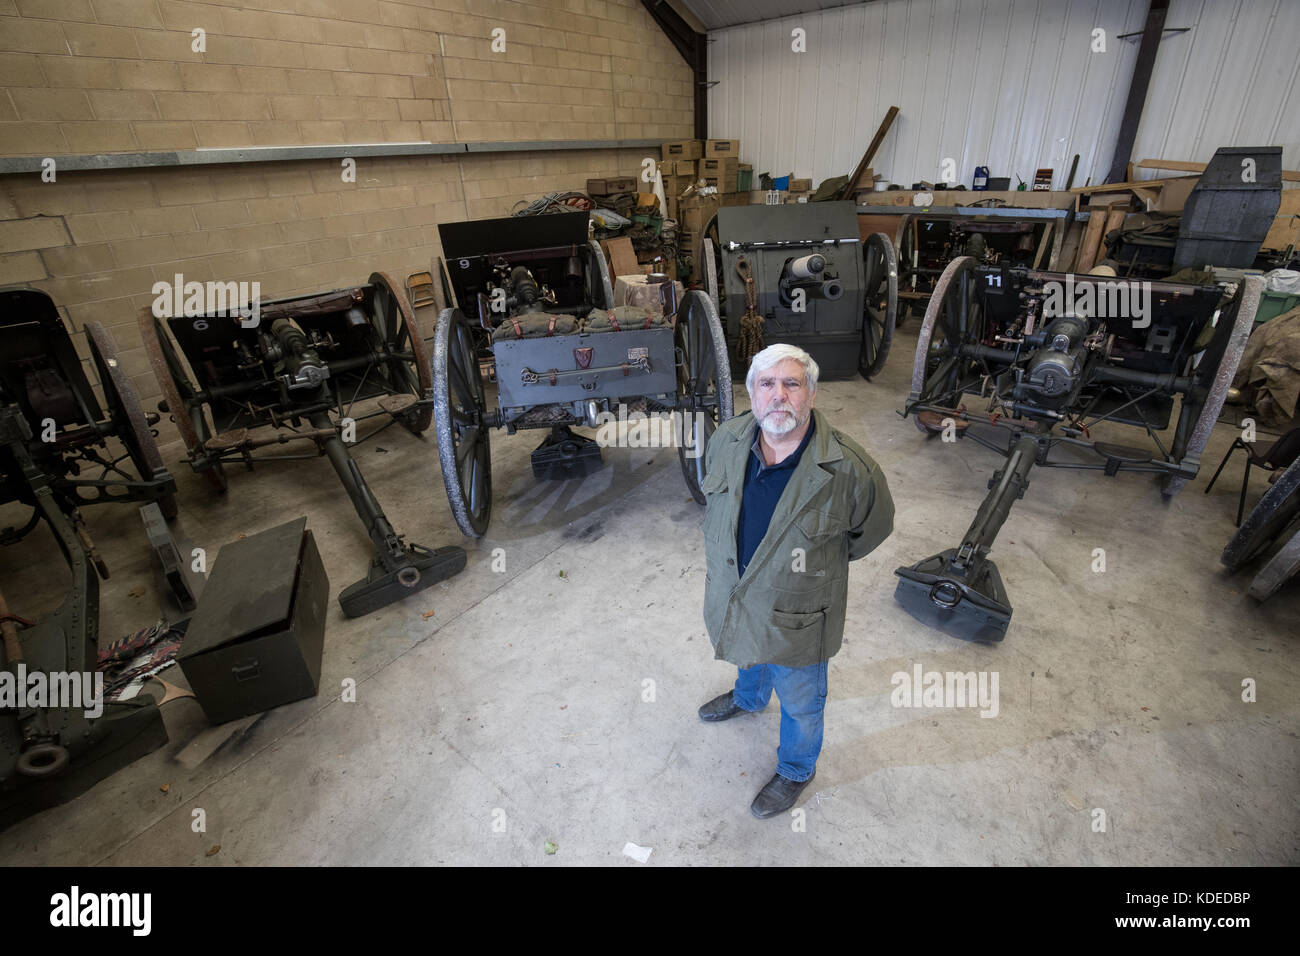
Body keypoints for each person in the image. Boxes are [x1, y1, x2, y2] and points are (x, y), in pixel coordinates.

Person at [697, 343, 894, 818]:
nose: (778, 396)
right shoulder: (727, 440)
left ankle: (796, 769)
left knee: (802, 705)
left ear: (812, 394)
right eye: (767, 384)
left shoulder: (850, 469)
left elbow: (873, 529)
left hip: (800, 613)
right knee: (748, 646)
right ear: (752, 393)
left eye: (792, 383)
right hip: (737, 593)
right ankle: (749, 697)